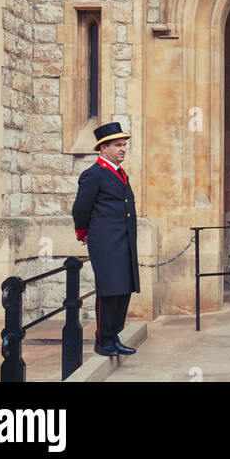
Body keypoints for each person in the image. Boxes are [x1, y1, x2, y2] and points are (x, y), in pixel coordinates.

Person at [72, 121, 140, 357]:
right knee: (109, 291)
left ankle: (113, 336)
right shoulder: (94, 174)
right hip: (106, 244)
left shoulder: (120, 173)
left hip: (124, 242)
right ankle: (103, 341)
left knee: (123, 291)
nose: (123, 149)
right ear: (103, 148)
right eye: (118, 145)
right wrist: (82, 231)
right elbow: (81, 208)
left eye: (124, 145)